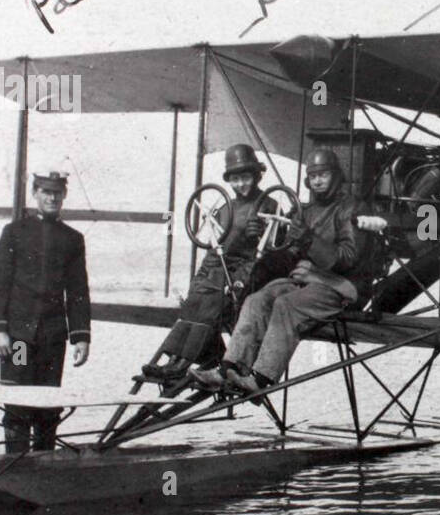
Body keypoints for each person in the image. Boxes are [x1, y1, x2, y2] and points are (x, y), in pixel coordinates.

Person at [188, 148, 366, 395]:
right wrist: (263, 235)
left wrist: (308, 240)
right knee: (256, 300)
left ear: (335, 175)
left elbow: (349, 258)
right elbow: (286, 256)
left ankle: (260, 380)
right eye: (313, 176)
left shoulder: (350, 208)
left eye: (323, 174)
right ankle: (227, 370)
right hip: (304, 279)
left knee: (285, 305)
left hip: (336, 286)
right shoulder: (304, 211)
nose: (317, 180)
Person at [144, 143, 283, 381]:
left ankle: (183, 364)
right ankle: (175, 358)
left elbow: (271, 254)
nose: (241, 184)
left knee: (210, 300)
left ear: (256, 175)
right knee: (195, 298)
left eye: (246, 177)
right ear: (229, 180)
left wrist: (240, 279)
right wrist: (198, 279)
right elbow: (214, 250)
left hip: (250, 275)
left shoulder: (268, 206)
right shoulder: (225, 208)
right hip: (221, 271)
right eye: (236, 179)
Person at [0, 170, 90, 453]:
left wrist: (81, 337)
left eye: (57, 192)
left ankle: (43, 468)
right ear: (35, 193)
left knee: (47, 406)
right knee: (18, 403)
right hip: (18, 339)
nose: (52, 197)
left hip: (52, 340)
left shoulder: (72, 239)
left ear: (64, 195)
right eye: (46, 191)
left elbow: (78, 290)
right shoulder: (14, 232)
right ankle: (14, 468)